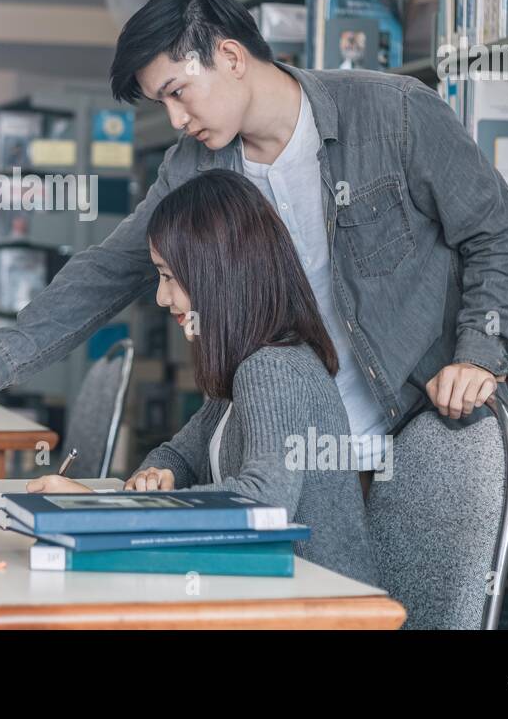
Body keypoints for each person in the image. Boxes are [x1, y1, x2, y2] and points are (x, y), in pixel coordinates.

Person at [0, 0, 508, 490]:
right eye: (160, 104)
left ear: (229, 56)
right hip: (286, 448)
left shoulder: (393, 112)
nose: (175, 118)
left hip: (417, 437)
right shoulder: (193, 165)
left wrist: (479, 351)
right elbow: (109, 271)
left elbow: (499, 233)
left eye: (178, 92)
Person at [25, 169, 377, 585]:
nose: (160, 297)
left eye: (169, 276)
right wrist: (156, 476)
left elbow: (265, 499)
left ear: (219, 273)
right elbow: (178, 456)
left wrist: (116, 508)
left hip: (317, 606)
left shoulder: (273, 367)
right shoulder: (244, 366)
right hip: (266, 589)